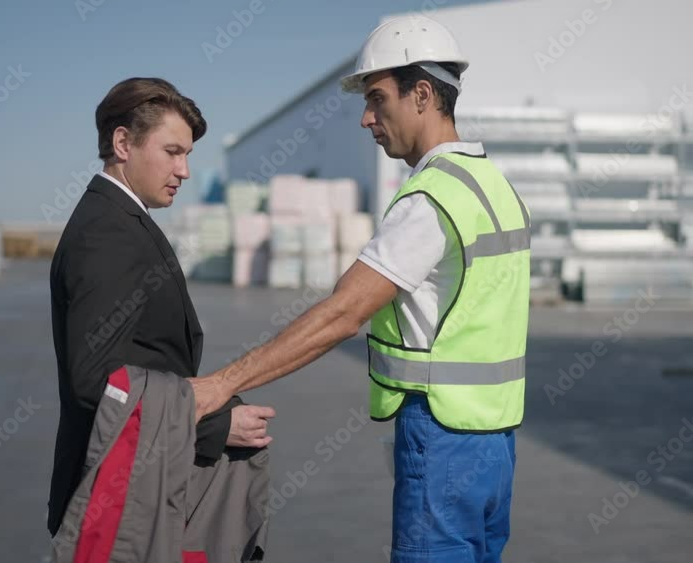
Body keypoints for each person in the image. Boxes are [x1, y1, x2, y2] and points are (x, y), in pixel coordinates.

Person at [192, 15, 531, 563]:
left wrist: (219, 385)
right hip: (495, 439)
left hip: (441, 434)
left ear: (422, 95)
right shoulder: (494, 186)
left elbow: (341, 314)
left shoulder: (430, 200)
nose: (366, 118)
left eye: (377, 99)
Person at [47, 77, 275, 537]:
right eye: (172, 152)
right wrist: (212, 425)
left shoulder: (123, 219)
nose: (184, 170)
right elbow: (94, 382)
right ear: (123, 144)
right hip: (111, 498)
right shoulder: (107, 234)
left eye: (187, 154)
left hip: (135, 481)